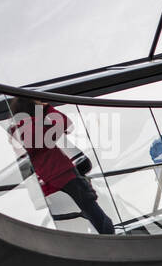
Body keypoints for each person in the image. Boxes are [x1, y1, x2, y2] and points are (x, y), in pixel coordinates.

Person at [7, 97, 116, 234]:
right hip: (63, 174)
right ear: (33, 107)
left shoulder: (17, 132)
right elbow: (66, 124)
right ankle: (112, 242)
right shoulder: (36, 125)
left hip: (45, 183)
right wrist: (45, 108)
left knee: (70, 223)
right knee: (96, 216)